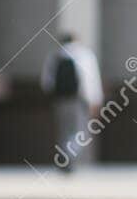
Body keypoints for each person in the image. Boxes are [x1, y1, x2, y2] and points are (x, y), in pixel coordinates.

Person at [41, 32, 103, 168]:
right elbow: (90, 80)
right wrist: (94, 99)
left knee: (63, 130)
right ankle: (68, 155)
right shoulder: (84, 55)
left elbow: (47, 82)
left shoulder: (54, 56)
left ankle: (64, 155)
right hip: (77, 100)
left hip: (59, 99)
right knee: (79, 131)